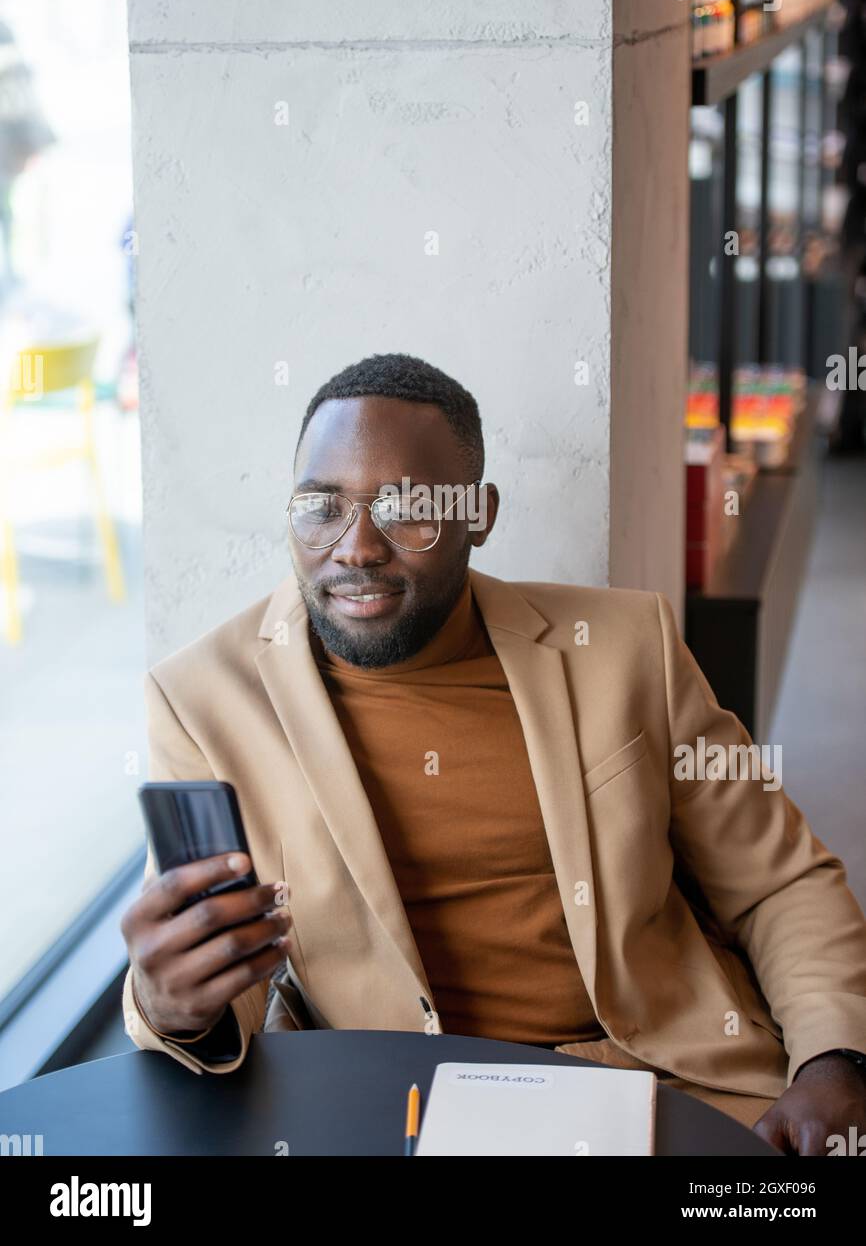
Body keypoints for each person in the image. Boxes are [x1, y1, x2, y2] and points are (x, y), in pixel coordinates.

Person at [121, 353, 866, 1155]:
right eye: (321, 506)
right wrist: (170, 1005)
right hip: (391, 1104)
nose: (357, 547)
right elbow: (215, 986)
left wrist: (834, 1061)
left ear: (480, 513)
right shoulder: (204, 698)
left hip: (658, 1081)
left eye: (407, 508)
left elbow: (777, 881)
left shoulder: (623, 649)